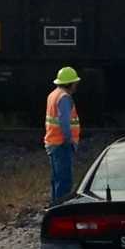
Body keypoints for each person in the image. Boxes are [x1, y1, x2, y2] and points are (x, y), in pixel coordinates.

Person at [44, 66, 81, 204]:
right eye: (75, 83)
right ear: (70, 83)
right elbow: (64, 121)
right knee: (65, 180)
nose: (76, 85)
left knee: (56, 179)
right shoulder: (64, 98)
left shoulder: (53, 95)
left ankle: (54, 206)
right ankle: (60, 209)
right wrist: (69, 140)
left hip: (53, 142)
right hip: (61, 144)